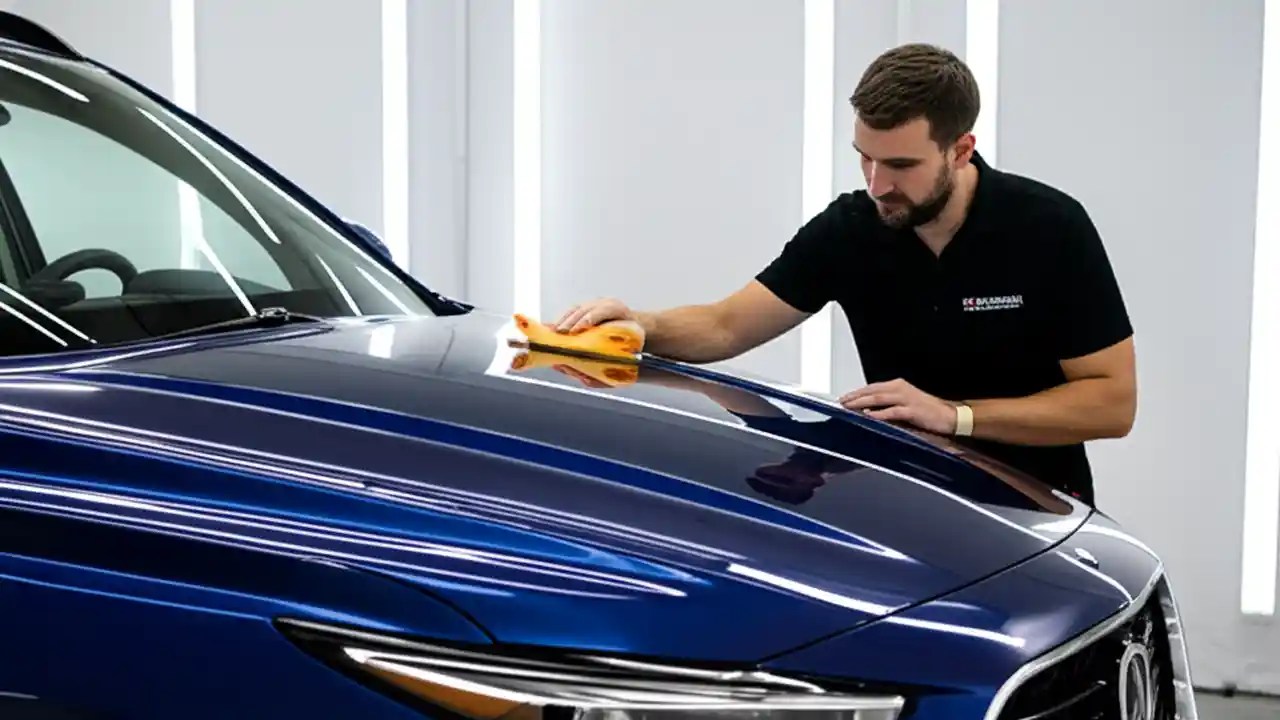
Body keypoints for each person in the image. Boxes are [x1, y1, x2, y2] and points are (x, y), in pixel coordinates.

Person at [552, 43, 1136, 506]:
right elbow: (726, 326)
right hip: (913, 498)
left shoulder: (1050, 226)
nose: (877, 184)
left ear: (961, 150)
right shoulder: (851, 228)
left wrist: (955, 415)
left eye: (901, 165)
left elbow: (1112, 403)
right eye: (865, 156)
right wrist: (638, 325)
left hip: (1038, 507)